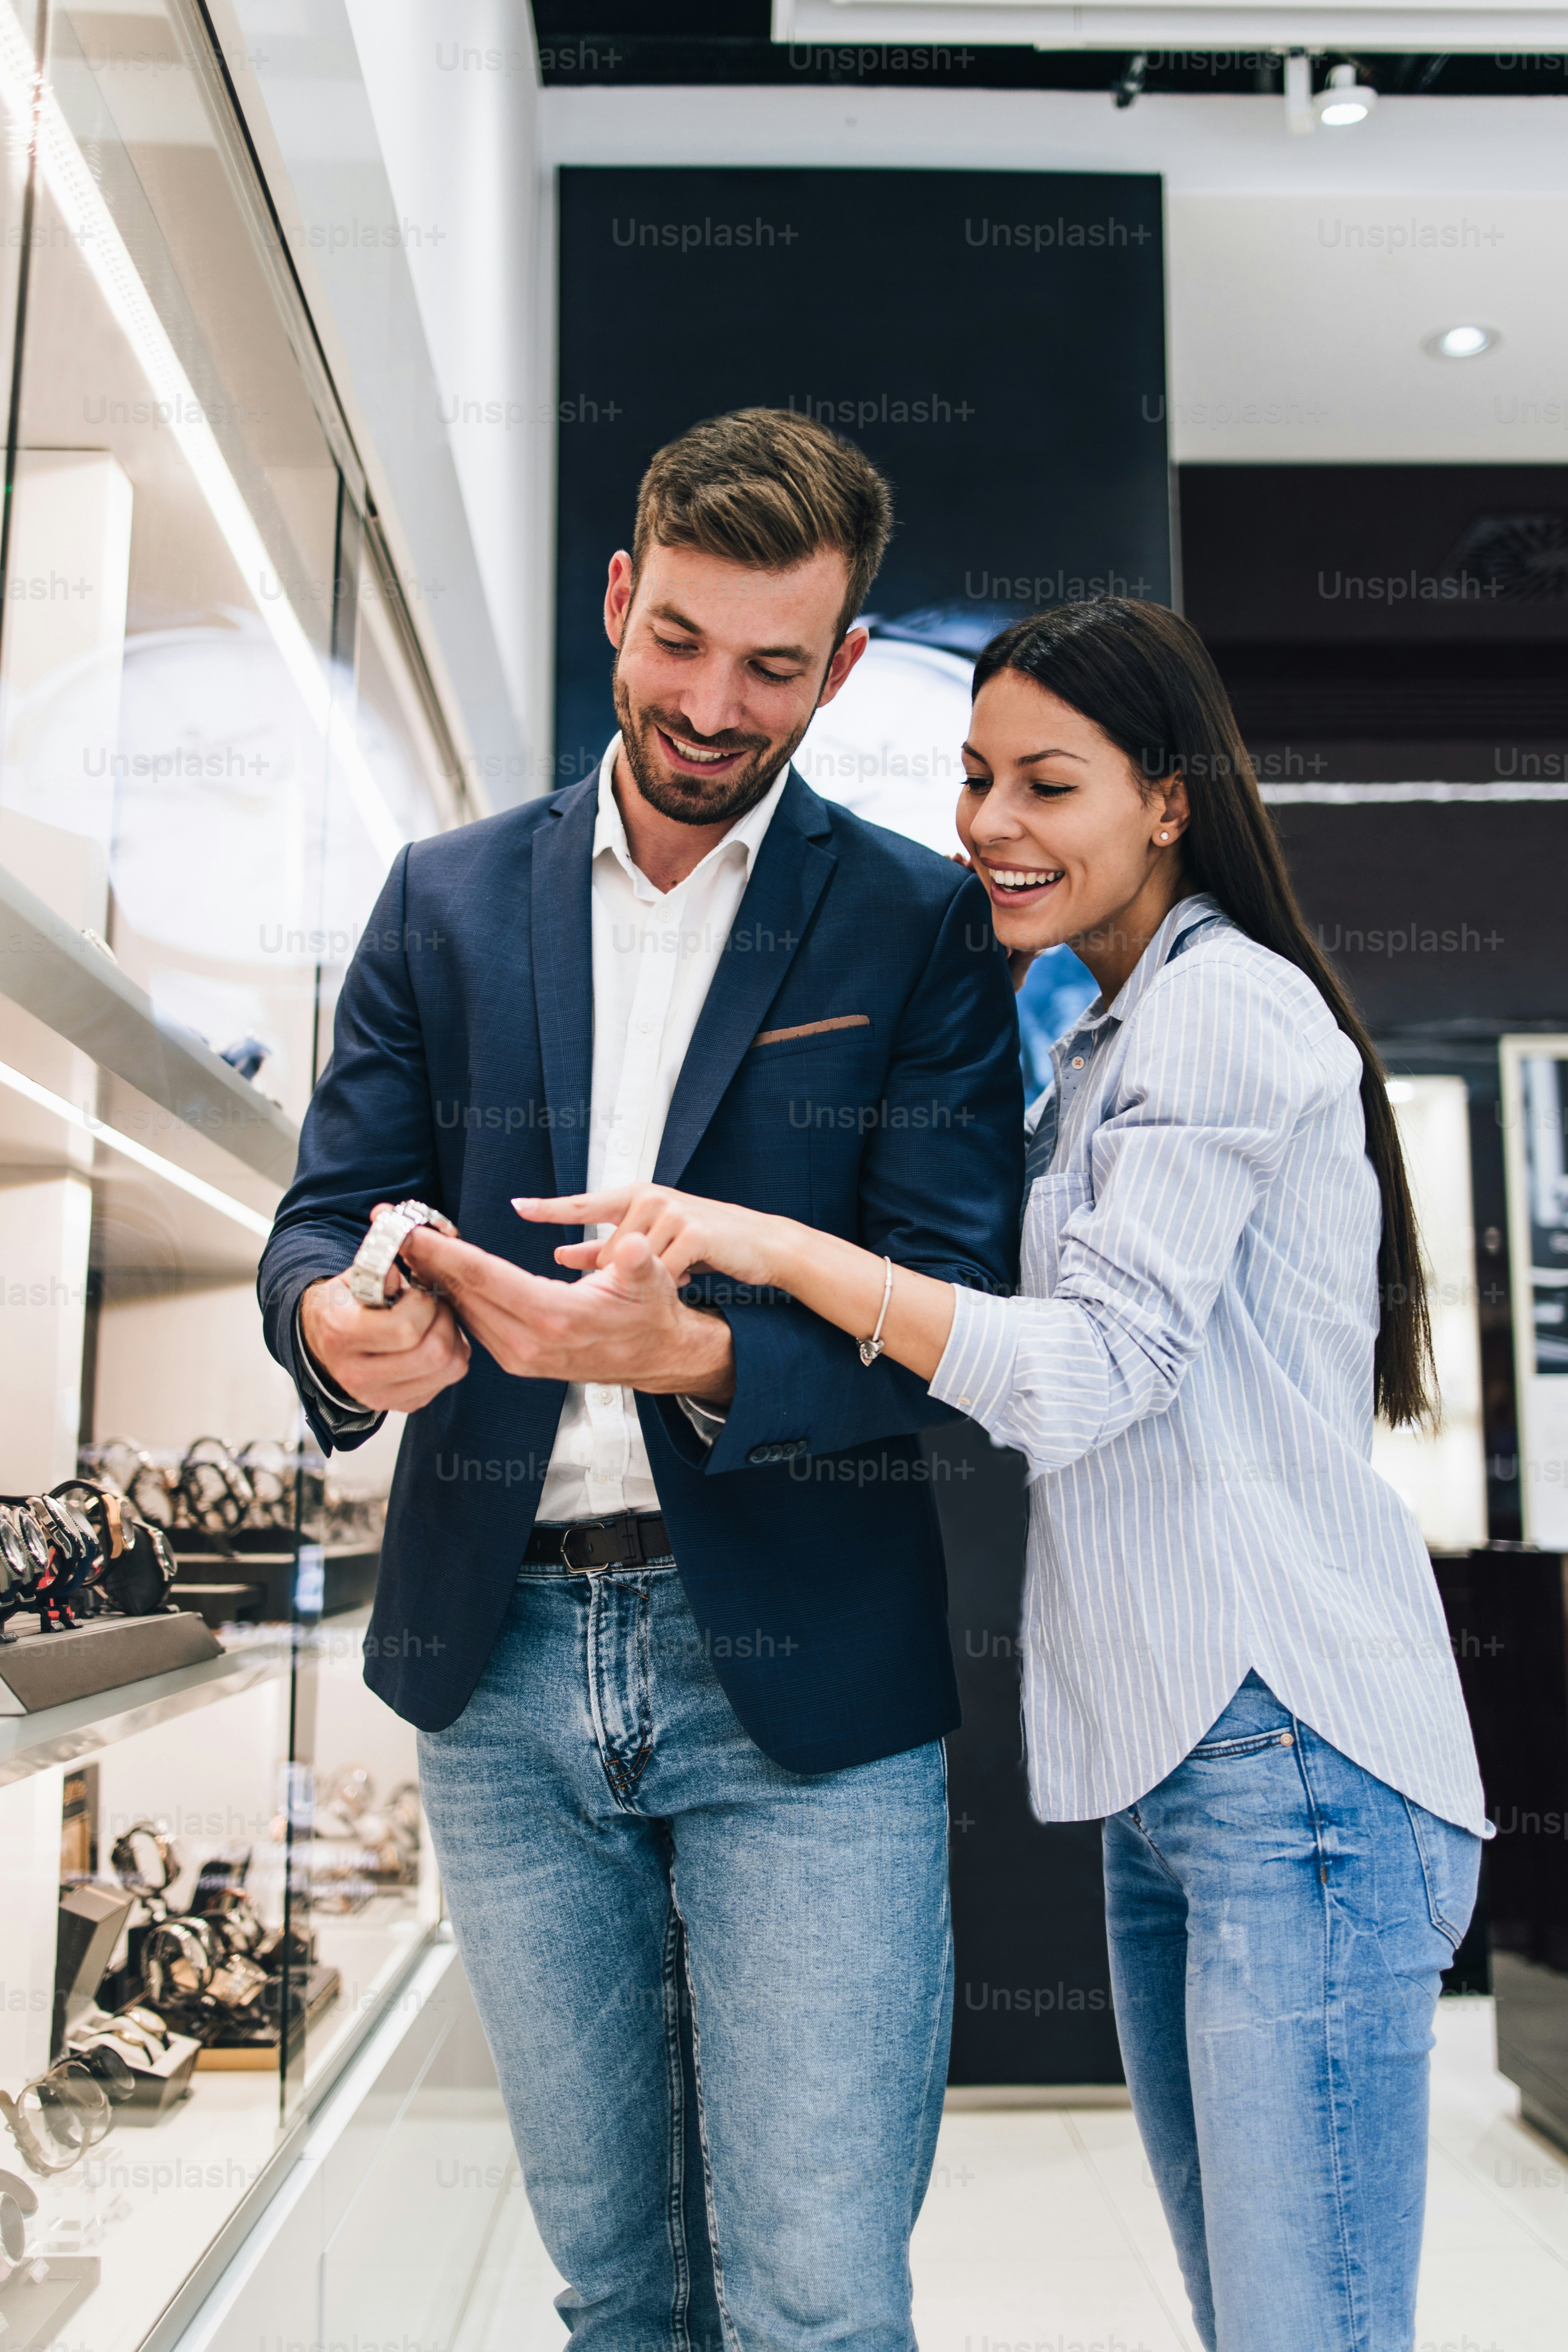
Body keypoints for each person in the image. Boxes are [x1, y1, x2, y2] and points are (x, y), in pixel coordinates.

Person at [460, 597, 1488, 2352]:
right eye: (972, 778)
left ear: (1167, 799)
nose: (990, 824)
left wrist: (772, 1246)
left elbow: (1080, 1374)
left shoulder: (1222, 1007)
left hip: (1298, 1757)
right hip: (1184, 1766)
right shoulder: (1100, 1032)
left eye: (1047, 783)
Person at [257, 407, 1023, 2351]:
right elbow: (320, 1217)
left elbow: (953, 1315)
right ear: (621, 594)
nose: (710, 701)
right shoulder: (441, 898)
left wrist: (686, 1352)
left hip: (798, 1680)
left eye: (774, 666)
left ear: (843, 667)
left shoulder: (912, 924)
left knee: (815, 2297)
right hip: (494, 1668)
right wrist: (336, 1332)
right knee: (616, 2291)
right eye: (677, 639)